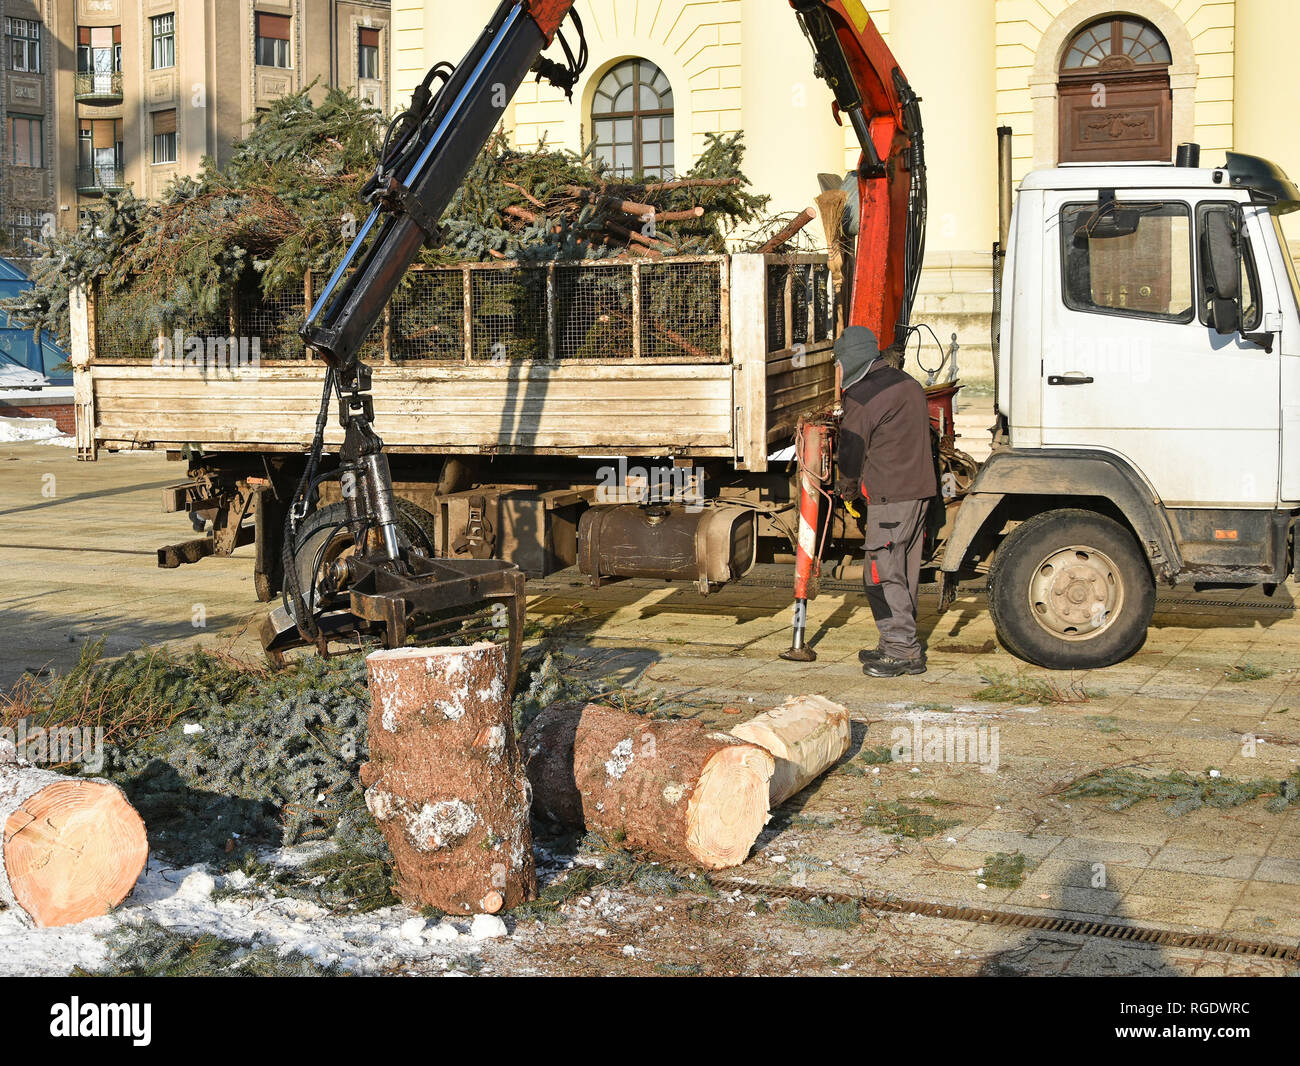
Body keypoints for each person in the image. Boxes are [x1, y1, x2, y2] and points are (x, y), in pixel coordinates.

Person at [834, 326, 937, 677]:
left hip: (891, 497)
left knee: (881, 574)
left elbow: (850, 454)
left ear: (849, 359)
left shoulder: (862, 396)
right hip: (920, 491)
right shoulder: (906, 382)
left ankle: (902, 651)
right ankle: (895, 640)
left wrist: (845, 490)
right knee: (903, 572)